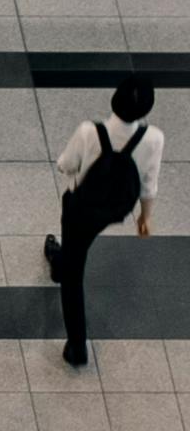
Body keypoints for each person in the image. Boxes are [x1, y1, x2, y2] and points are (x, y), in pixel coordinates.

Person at [44, 75, 160, 367]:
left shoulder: (89, 132)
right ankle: (61, 260)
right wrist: (145, 219)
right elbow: (148, 186)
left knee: (74, 275)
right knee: (76, 247)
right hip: (113, 210)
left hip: (80, 209)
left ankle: (77, 346)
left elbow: (65, 165)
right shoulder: (153, 139)